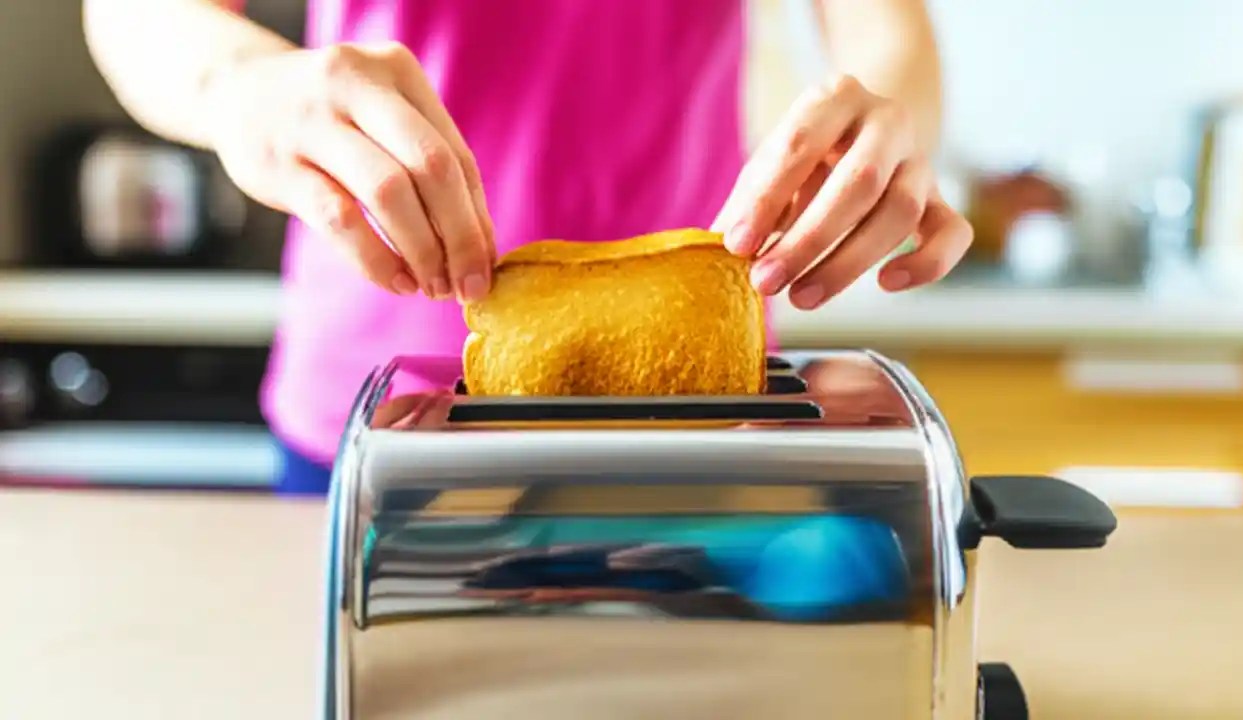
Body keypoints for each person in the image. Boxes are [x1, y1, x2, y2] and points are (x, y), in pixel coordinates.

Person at [84, 0, 972, 495]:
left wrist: (880, 128)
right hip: (381, 402)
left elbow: (885, 28)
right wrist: (241, 85)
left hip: (700, 417)